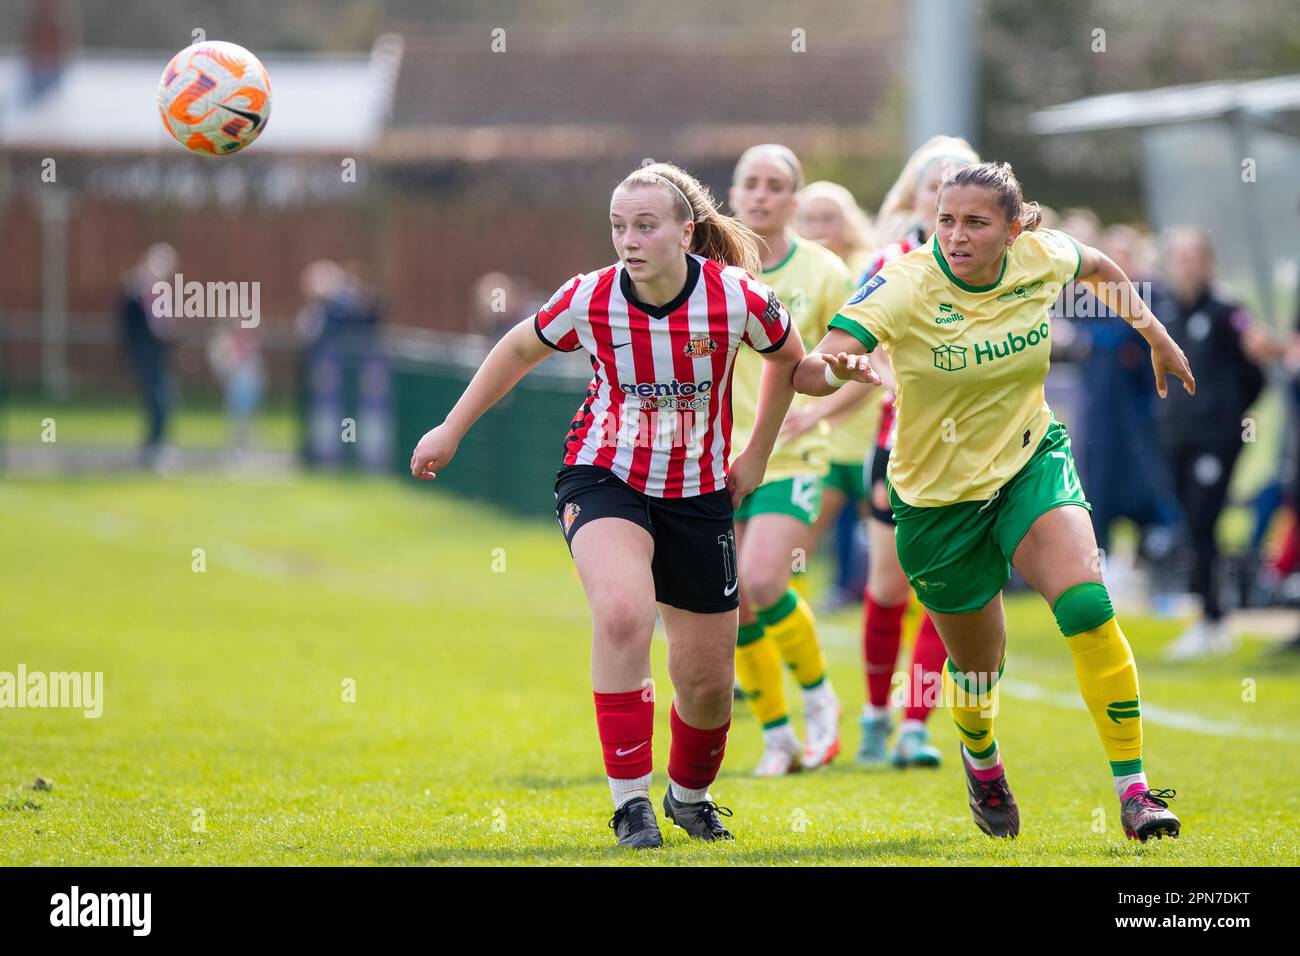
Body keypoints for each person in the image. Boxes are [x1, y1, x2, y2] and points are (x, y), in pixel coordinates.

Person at [793, 161, 1195, 842]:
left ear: (1012, 230)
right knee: (978, 672)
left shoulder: (1040, 256)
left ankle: (1135, 792)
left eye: (975, 223)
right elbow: (811, 367)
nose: (955, 235)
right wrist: (839, 365)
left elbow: (1098, 268)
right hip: (935, 503)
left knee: (1088, 606)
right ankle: (981, 758)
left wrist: (1154, 333)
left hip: (1028, 463)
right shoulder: (904, 284)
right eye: (946, 220)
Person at [410, 162, 805, 849]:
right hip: (605, 475)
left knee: (707, 686)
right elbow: (516, 347)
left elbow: (788, 359)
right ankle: (630, 805)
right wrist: (450, 428)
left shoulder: (738, 297)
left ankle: (690, 797)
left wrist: (758, 455)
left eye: (646, 226)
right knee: (623, 611)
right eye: (619, 226)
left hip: (701, 494)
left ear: (686, 232)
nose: (629, 239)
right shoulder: (589, 297)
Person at [726, 145, 863, 775]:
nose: (760, 195)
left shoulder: (825, 271)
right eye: (749, 183)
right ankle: (777, 736)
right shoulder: (708, 271)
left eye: (774, 185)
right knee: (734, 603)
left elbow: (862, 356)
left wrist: (824, 397)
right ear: (731, 195)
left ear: (794, 199)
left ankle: (820, 702)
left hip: (794, 456)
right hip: (716, 458)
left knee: (762, 579)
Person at [855, 136, 979, 769]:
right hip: (898, 445)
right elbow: (862, 337)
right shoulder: (891, 259)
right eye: (936, 185)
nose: (946, 195)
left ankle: (915, 724)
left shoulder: (997, 268)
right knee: (888, 586)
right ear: (917, 195)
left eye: (959, 183)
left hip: (973, 455)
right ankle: (875, 713)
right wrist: (886, 372)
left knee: (944, 591)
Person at [1151, 228, 1267, 660]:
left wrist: (1229, 414)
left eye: (1192, 258)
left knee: (1203, 521)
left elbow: (1254, 373)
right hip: (1177, 436)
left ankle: (1212, 619)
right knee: (1191, 524)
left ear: (1208, 262)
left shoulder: (1225, 309)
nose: (1184, 266)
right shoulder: (1164, 308)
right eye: (1177, 258)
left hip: (1215, 439)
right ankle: (1210, 617)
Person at [792, 181, 879, 611]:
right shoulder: (799, 272)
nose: (819, 228)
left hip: (867, 429)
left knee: (895, 558)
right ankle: (782, 643)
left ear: (849, 222)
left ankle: (909, 661)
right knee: (794, 548)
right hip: (820, 434)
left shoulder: (867, 269)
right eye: (809, 220)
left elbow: (876, 361)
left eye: (829, 218)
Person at [118, 243, 179, 470]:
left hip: (158, 356)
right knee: (156, 399)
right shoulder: (136, 291)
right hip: (145, 355)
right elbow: (129, 324)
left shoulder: (159, 293)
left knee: (165, 399)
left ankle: (158, 445)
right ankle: (153, 448)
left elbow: (164, 326)